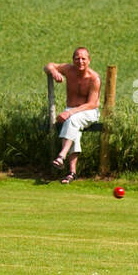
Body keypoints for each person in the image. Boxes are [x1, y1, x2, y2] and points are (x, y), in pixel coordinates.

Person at [44, 47, 101, 184]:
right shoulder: (68, 70)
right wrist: (54, 72)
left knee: (72, 120)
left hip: (89, 111)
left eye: (83, 58)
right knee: (73, 129)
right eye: (77, 58)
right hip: (72, 111)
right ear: (73, 60)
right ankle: (71, 173)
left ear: (89, 60)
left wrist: (69, 112)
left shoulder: (94, 78)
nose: (80, 61)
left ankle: (61, 155)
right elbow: (48, 65)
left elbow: (92, 104)